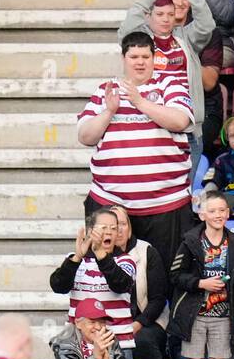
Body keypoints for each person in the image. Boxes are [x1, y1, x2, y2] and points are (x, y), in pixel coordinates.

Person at [77, 31, 194, 276]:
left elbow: (180, 120)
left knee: (165, 277)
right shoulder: (105, 90)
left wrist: (140, 102)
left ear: (154, 58)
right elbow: (86, 136)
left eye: (145, 56)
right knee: (106, 275)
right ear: (124, 59)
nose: (140, 62)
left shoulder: (170, 84)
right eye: (133, 56)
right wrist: (109, 112)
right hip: (110, 204)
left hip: (165, 205)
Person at [117, 0, 218, 173]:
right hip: (149, 124)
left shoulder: (185, 37)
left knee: (184, 192)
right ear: (149, 16)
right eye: (160, 14)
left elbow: (207, 24)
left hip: (186, 127)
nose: (166, 20)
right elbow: (126, 31)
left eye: (170, 15)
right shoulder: (141, 39)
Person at [51, 207, 168, 359]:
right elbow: (58, 286)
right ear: (90, 230)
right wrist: (76, 258)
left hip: (118, 344)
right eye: (104, 228)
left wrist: (101, 255)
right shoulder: (74, 259)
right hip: (78, 344)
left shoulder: (125, 260)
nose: (110, 232)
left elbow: (120, 284)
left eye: (114, 228)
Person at [169, 191, 234, 359]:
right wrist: (200, 283)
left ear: (228, 213)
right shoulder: (190, 241)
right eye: (212, 211)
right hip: (194, 314)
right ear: (202, 215)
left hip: (223, 314)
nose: (218, 215)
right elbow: (175, 275)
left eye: (222, 210)